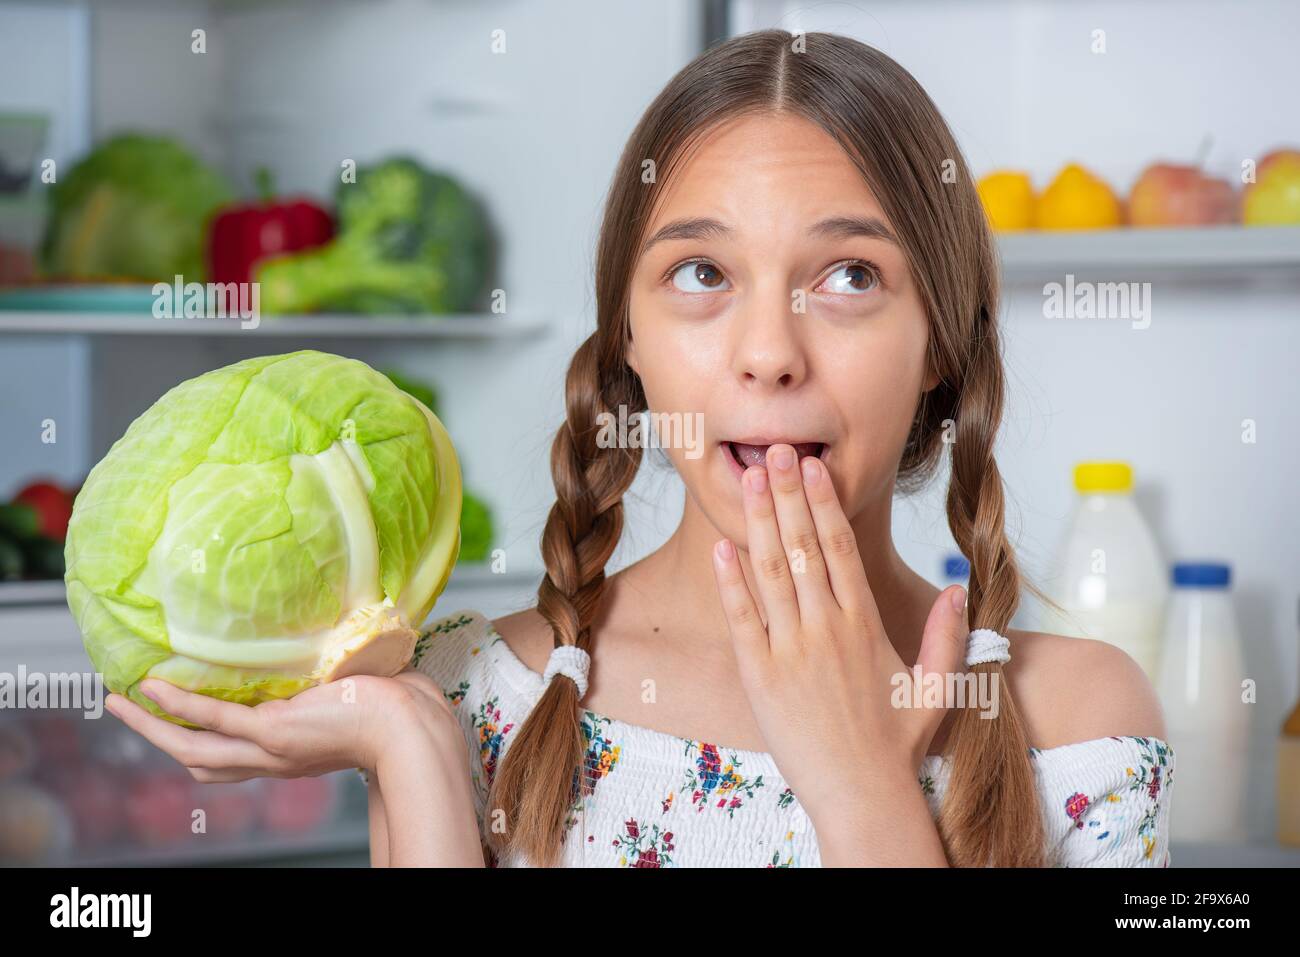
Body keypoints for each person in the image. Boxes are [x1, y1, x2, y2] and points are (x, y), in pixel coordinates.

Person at [106, 28, 1173, 868]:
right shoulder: (482, 694)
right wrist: (413, 755)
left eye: (849, 277)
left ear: (940, 338)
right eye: (701, 276)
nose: (768, 355)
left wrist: (857, 782)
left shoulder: (1077, 720)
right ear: (628, 336)